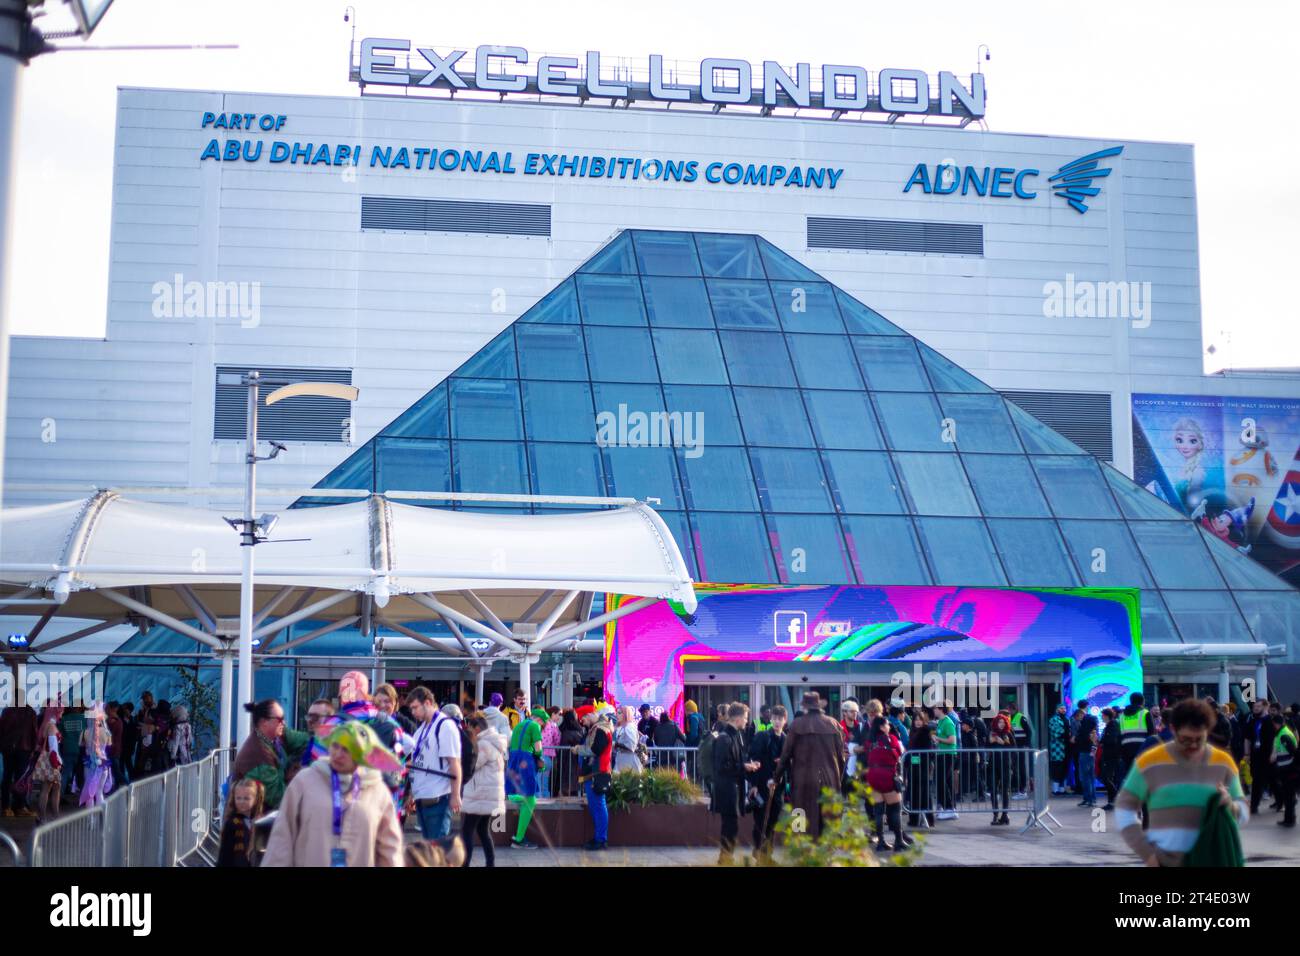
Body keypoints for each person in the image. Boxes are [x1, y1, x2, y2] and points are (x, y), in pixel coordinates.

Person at [1116, 698, 1248, 867]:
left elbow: (1243, 811)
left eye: (1199, 739)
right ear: (1172, 729)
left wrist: (1230, 805)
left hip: (1211, 860)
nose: (1193, 745)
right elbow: (1124, 808)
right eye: (1186, 739)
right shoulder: (1149, 761)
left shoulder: (1223, 762)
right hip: (1164, 861)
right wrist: (1147, 854)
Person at [263, 721, 405, 868]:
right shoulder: (304, 782)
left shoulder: (378, 791)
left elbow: (390, 848)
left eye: (347, 750)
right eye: (335, 746)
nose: (338, 754)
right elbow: (282, 836)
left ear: (360, 754)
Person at [773, 692, 845, 840]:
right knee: (828, 819)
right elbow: (841, 758)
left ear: (805, 708)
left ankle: (802, 850)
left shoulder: (797, 725)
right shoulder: (833, 724)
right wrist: (838, 778)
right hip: (829, 779)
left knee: (800, 816)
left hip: (802, 780)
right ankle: (825, 854)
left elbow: (785, 755)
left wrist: (776, 778)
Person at [404, 686, 463, 841]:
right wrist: (411, 794)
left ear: (428, 703)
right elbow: (417, 765)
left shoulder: (445, 726)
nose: (413, 712)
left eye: (415, 707)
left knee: (438, 849)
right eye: (411, 709)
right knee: (431, 850)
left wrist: (455, 795)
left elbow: (454, 763)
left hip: (438, 797)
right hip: (423, 797)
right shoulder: (421, 730)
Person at [232, 699, 311, 810]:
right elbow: (279, 798)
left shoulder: (276, 735)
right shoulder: (257, 755)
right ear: (264, 722)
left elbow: (307, 742)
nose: (284, 723)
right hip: (251, 821)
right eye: (280, 719)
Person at [711, 702, 758, 865]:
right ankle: (725, 858)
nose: (746, 721)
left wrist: (747, 766)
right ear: (737, 719)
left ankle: (726, 857)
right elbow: (721, 767)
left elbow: (734, 763)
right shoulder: (725, 738)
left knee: (731, 827)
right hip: (727, 791)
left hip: (732, 790)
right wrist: (743, 766)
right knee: (730, 827)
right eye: (745, 718)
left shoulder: (734, 736)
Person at [460, 714, 506, 867]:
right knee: (483, 831)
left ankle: (465, 863)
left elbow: (473, 765)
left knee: (467, 830)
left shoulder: (484, 744)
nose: (469, 731)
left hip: (481, 794)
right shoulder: (493, 741)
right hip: (487, 794)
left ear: (477, 728)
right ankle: (490, 864)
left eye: (471, 729)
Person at [747, 704, 788, 862]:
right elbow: (754, 759)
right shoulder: (763, 736)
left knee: (772, 824)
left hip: (778, 789)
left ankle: (767, 855)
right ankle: (759, 854)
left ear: (785, 721)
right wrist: (755, 785)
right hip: (762, 785)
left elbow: (790, 763)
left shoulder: (786, 739)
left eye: (780, 719)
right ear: (771, 719)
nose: (777, 722)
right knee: (760, 823)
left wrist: (783, 763)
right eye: (775, 719)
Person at [865, 715, 911, 850]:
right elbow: (901, 753)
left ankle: (880, 842)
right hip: (888, 775)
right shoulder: (891, 739)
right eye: (887, 725)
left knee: (878, 811)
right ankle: (899, 841)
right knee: (895, 810)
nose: (889, 726)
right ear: (881, 727)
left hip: (872, 776)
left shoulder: (870, 741)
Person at [506, 707, 548, 849]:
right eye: (543, 723)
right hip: (526, 760)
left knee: (513, 792)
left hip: (513, 760)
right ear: (540, 720)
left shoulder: (519, 725)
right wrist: (540, 760)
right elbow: (538, 748)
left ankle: (509, 798)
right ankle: (518, 839)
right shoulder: (535, 725)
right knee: (530, 798)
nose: (542, 726)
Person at [574, 705, 614, 851]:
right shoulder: (598, 728)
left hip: (598, 772)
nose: (582, 722)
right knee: (596, 805)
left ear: (590, 714)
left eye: (583, 718)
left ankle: (601, 839)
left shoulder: (601, 729)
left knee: (598, 805)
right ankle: (599, 837)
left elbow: (596, 750)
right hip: (595, 771)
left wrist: (579, 749)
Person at [0, 700, 37, 817]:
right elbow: (34, 731)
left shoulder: (6, 711)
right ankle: (19, 806)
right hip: (24, 748)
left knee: (7, 776)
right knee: (21, 779)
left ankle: (6, 807)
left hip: (8, 749)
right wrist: (33, 749)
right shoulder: (29, 711)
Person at [218, 777, 265, 867]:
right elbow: (232, 855)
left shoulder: (256, 821)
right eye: (238, 798)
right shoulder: (234, 823)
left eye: (246, 798)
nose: (242, 802)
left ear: (255, 799)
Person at [31, 701, 64, 823]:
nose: (62, 713)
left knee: (48, 789)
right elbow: (53, 749)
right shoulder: (51, 726)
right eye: (60, 711)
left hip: (49, 761)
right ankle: (51, 817)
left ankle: (43, 817)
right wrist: (58, 764)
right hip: (52, 763)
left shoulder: (47, 724)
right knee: (50, 789)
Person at [78, 702, 114, 808]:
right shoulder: (107, 732)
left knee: (90, 794)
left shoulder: (85, 732)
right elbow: (109, 744)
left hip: (89, 763)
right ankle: (102, 817)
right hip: (103, 764)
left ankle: (91, 820)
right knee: (99, 792)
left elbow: (81, 745)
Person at [906, 709, 935, 828]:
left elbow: (927, 751)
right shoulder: (913, 732)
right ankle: (914, 819)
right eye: (916, 720)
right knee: (914, 793)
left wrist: (914, 759)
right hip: (914, 767)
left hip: (922, 766)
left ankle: (927, 819)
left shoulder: (925, 732)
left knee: (924, 793)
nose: (918, 722)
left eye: (920, 720)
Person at [1245, 700, 1275, 813]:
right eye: (1254, 706)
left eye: (1258, 706)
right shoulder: (1252, 721)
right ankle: (1254, 806)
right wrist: (1246, 754)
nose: (1255, 708)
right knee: (1256, 780)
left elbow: (1275, 740)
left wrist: (1273, 753)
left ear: (1265, 707)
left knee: (1273, 780)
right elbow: (1247, 738)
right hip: (1256, 755)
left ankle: (1283, 800)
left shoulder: (1270, 721)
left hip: (1269, 755)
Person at [1269, 712, 1297, 827]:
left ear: (1277, 724)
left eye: (1274, 724)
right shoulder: (1282, 733)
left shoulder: (1283, 735)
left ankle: (1289, 820)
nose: (1273, 726)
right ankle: (1288, 818)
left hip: (1288, 770)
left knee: (1288, 796)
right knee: (1288, 795)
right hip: (1286, 769)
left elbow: (1293, 752)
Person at [986, 713, 1014, 825]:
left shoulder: (1008, 733)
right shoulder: (992, 733)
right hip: (993, 765)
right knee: (993, 790)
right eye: (999, 722)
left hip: (1006, 764)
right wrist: (991, 741)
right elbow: (986, 746)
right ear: (996, 723)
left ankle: (1005, 815)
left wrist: (1003, 743)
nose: (1001, 724)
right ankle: (995, 814)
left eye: (1003, 722)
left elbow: (1014, 748)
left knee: (1005, 790)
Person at [933, 701, 959, 819]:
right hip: (942, 754)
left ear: (941, 709)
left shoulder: (948, 722)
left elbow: (952, 740)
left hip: (947, 755)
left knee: (942, 781)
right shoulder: (941, 722)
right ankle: (948, 807)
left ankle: (949, 808)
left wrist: (937, 738)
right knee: (945, 781)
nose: (934, 710)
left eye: (935, 708)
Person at [1073, 699, 1099, 808]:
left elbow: (1083, 737)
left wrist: (1076, 738)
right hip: (1091, 749)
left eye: (1077, 717)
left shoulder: (1086, 722)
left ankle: (1089, 798)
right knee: (1090, 775)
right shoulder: (1092, 721)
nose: (1077, 720)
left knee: (1085, 775)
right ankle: (1090, 798)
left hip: (1085, 750)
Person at [1098, 708, 1123, 811]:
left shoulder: (1113, 725)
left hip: (1112, 756)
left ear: (1107, 716)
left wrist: (1101, 741)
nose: (1101, 717)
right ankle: (1111, 801)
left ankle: (1116, 798)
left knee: (1106, 778)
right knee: (1107, 778)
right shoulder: (1109, 725)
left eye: (1102, 715)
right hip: (1108, 755)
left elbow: (1112, 740)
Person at [1007, 700, 1033, 797]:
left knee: (1021, 767)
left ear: (1012, 709)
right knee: (1015, 767)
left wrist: (1026, 744)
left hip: (1020, 746)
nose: (1008, 711)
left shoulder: (1021, 717)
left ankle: (1022, 789)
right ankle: (1018, 788)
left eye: (1008, 709)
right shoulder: (1010, 718)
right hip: (1014, 746)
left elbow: (1029, 732)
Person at [613, 705, 643, 774]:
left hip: (629, 760)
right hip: (622, 759)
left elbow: (631, 746)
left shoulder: (629, 727)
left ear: (626, 714)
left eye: (620, 713)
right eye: (617, 713)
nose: (617, 715)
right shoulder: (621, 727)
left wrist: (616, 744)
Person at [1048, 705, 1070, 794]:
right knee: (1057, 767)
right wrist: (1067, 734)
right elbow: (1057, 733)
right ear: (1057, 709)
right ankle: (1055, 789)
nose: (1064, 710)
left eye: (1064, 708)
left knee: (1064, 767)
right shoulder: (1053, 719)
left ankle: (1062, 788)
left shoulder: (1067, 719)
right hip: (1057, 747)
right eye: (1061, 708)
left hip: (1066, 746)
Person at [540, 709, 562, 797]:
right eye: (558, 714)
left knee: (537, 779)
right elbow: (557, 740)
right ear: (552, 714)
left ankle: (538, 796)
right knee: (545, 779)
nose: (559, 717)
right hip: (548, 754)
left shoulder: (539, 724)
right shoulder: (553, 725)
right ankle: (545, 796)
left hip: (537, 754)